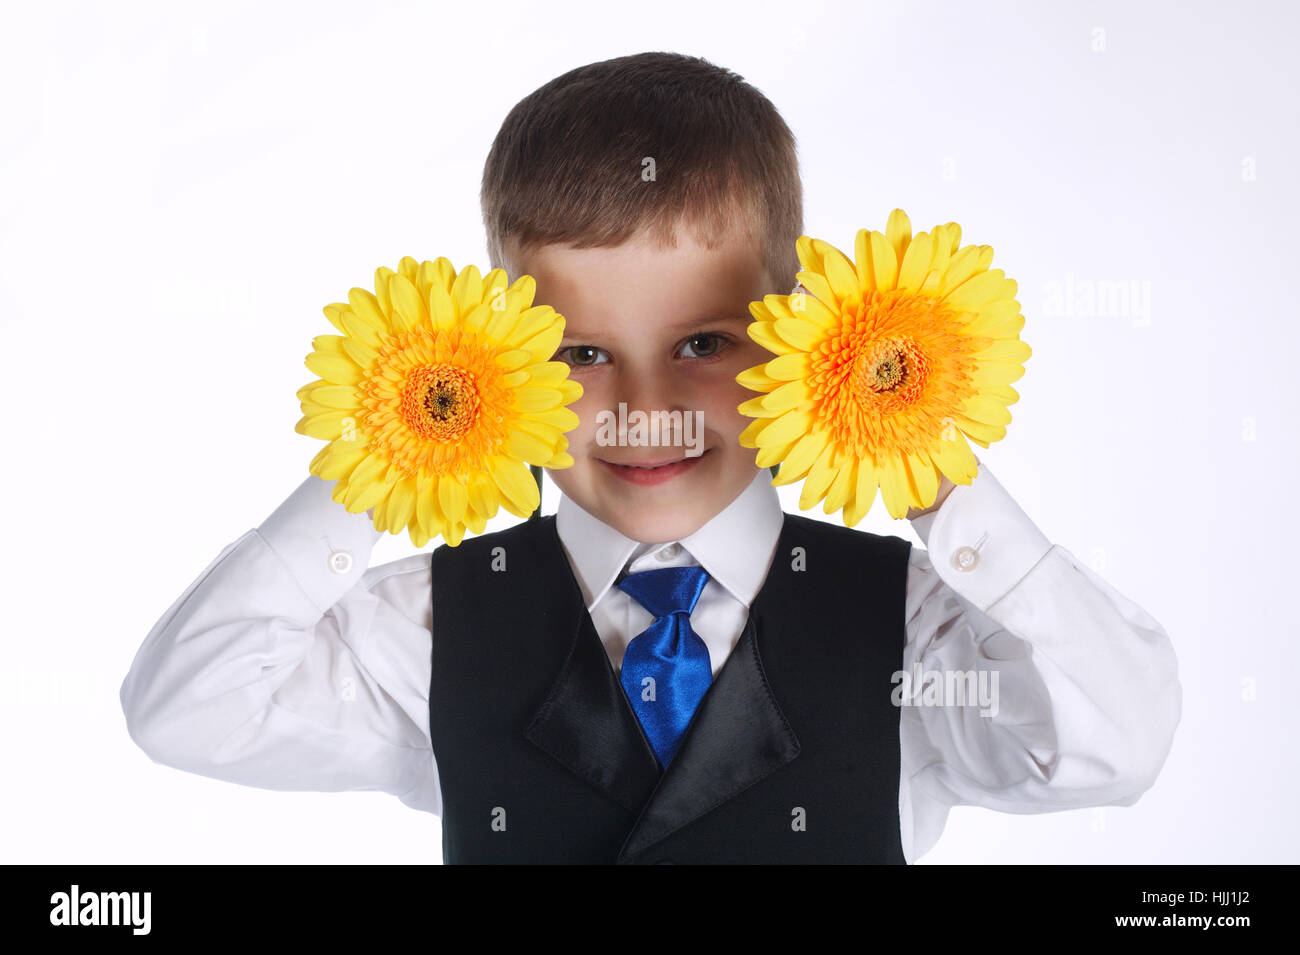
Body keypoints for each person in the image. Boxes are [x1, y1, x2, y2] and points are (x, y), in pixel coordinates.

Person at [120, 51, 1181, 864]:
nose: (644, 405)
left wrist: (922, 454)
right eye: (579, 353)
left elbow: (1110, 740)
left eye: (705, 344)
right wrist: (400, 439)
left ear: (801, 331)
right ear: (499, 349)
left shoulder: (910, 625)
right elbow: (189, 705)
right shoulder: (438, 628)